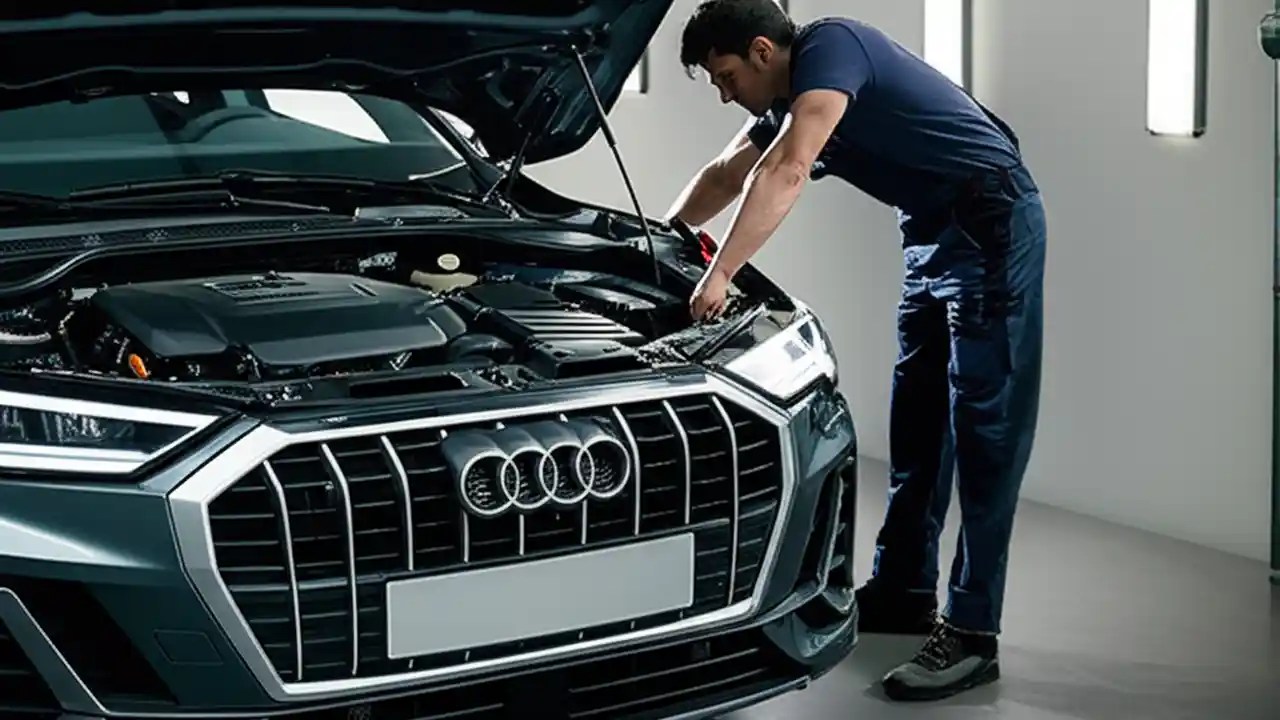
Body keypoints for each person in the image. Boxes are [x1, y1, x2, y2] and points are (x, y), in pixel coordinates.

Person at [664, 0, 1046, 702]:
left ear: (759, 50)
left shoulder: (830, 50)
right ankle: (902, 590)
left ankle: (971, 630)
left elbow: (787, 169)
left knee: (987, 433)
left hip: (990, 223)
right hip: (932, 232)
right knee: (918, 420)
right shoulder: (787, 101)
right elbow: (726, 172)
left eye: (723, 76)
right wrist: (657, 237)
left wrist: (720, 274)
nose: (724, 94)